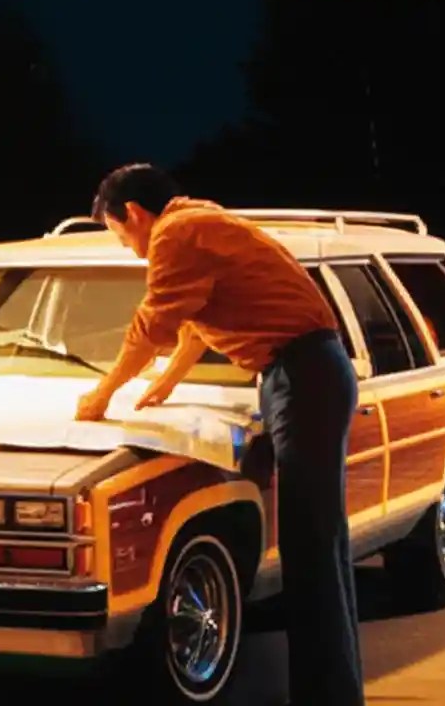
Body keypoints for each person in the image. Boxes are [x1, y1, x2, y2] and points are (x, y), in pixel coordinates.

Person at [75, 163, 365, 706]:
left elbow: (153, 323)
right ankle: (333, 692)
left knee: (311, 549)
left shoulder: (174, 234)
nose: (128, 248)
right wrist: (162, 385)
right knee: (318, 544)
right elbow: (189, 328)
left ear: (134, 214)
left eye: (119, 234)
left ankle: (327, 698)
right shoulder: (200, 223)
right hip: (306, 372)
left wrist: (102, 395)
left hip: (303, 376)